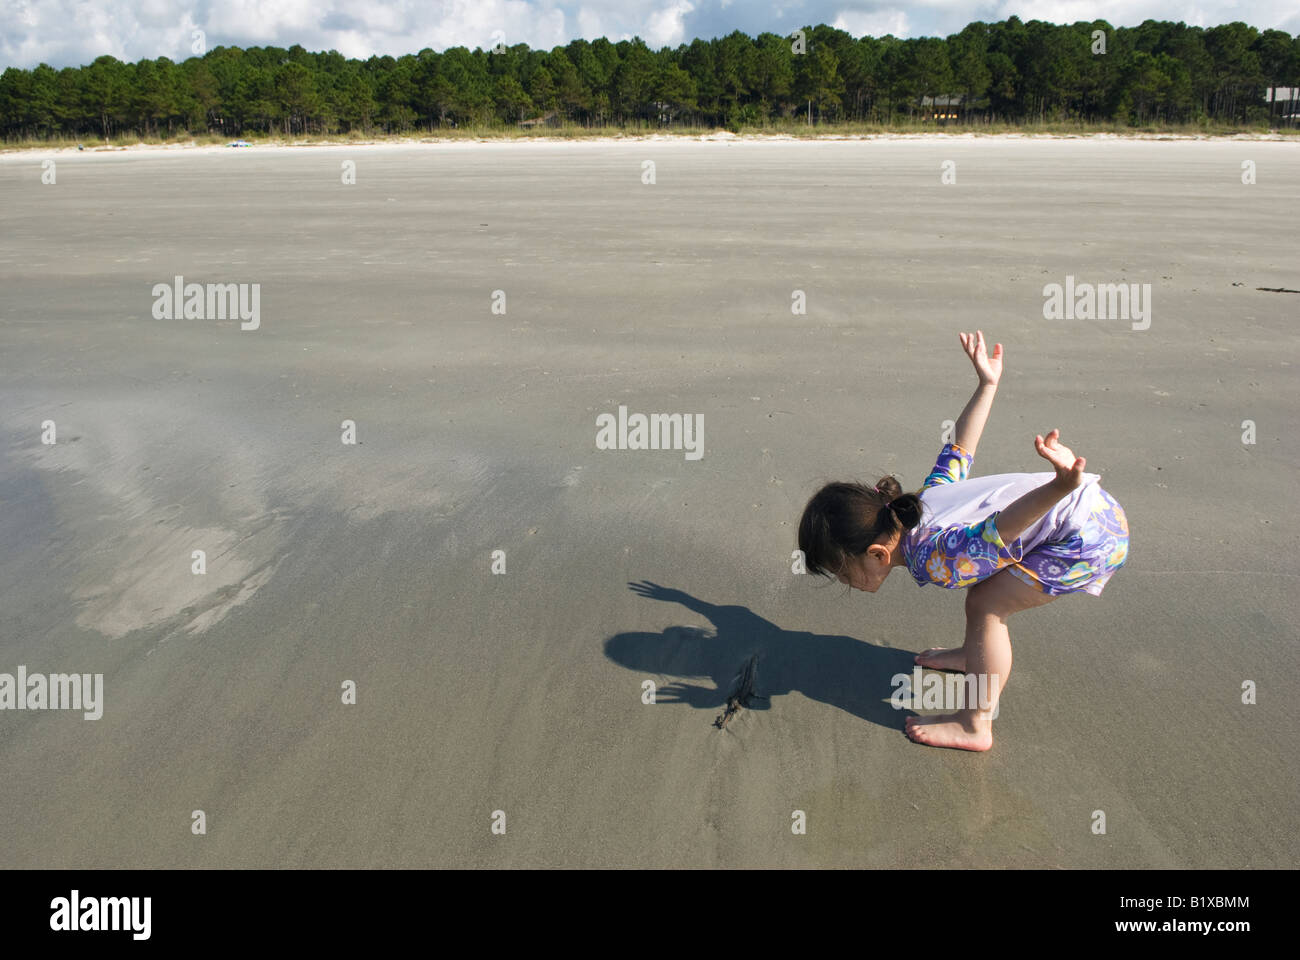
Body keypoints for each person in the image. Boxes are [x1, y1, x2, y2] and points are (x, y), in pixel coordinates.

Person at [796, 331, 1129, 751]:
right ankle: (975, 655)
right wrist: (987, 384)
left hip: (1088, 540)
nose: (846, 583)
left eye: (845, 573)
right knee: (983, 581)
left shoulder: (937, 555)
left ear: (877, 554)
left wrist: (1059, 489)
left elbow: (1000, 531)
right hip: (1092, 509)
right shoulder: (919, 504)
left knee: (987, 604)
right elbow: (960, 448)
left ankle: (976, 723)